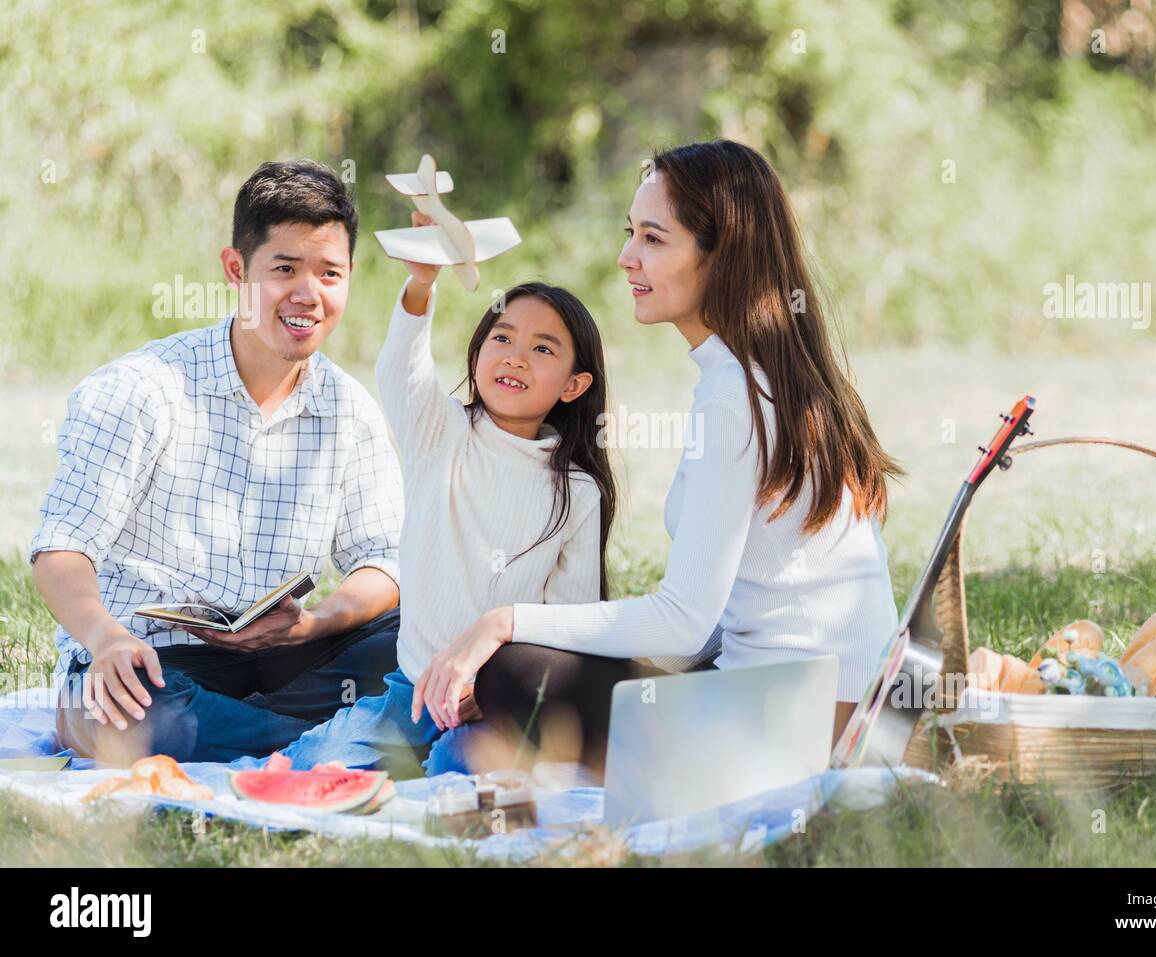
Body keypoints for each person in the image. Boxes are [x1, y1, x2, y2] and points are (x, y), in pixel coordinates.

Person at [415, 140, 905, 772]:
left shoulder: (736, 397)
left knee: (512, 670)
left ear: (721, 254)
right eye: (630, 233)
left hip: (788, 730)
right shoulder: (774, 377)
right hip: (833, 709)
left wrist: (505, 623)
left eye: (653, 238)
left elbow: (683, 623)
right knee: (539, 665)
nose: (626, 258)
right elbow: (702, 630)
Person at [30, 160, 405, 766]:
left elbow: (386, 560)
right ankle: (342, 740)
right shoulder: (141, 389)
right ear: (236, 269)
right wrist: (105, 638)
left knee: (419, 638)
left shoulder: (349, 409)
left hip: (284, 661)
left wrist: (313, 625)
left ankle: (294, 735)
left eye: (329, 273)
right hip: (151, 661)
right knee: (140, 716)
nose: (308, 294)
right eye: (284, 269)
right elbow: (61, 549)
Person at [268, 209, 615, 777]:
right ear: (477, 356)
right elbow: (399, 370)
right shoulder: (442, 431)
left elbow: (569, 617)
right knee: (315, 765)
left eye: (544, 349)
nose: (516, 356)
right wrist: (423, 282)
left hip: (495, 696)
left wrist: (500, 687)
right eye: (502, 337)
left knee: (460, 770)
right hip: (412, 688)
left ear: (574, 386)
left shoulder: (575, 491)